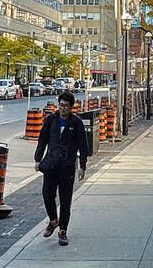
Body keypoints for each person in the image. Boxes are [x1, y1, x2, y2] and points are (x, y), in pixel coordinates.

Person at [34, 91, 90, 247]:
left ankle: (63, 231)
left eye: (66, 106)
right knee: (47, 194)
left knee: (65, 201)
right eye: (61, 105)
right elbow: (42, 139)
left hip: (67, 167)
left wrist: (82, 166)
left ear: (71, 107)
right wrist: (38, 159)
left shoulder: (76, 122)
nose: (63, 108)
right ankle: (53, 221)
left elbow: (83, 146)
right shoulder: (51, 119)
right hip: (51, 165)